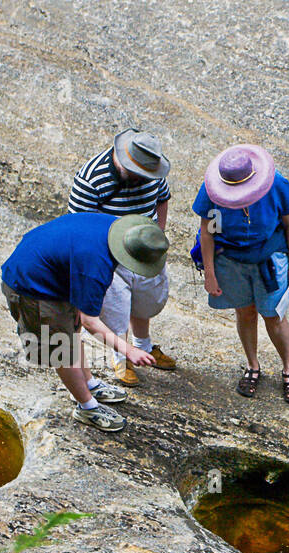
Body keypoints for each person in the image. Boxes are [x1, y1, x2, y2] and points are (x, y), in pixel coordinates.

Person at [1, 213, 167, 432]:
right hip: (30, 284)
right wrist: (128, 350)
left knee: (71, 329)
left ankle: (89, 383)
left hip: (55, 273)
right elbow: (91, 323)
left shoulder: (115, 228)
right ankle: (86, 406)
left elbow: (81, 318)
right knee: (60, 347)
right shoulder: (96, 267)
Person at [193, 145, 289, 403]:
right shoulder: (211, 190)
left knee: (273, 315)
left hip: (269, 258)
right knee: (244, 311)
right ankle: (253, 366)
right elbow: (207, 232)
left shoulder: (276, 184)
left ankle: (288, 368)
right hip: (231, 261)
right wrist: (210, 273)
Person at [68, 128, 177, 386]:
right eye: (139, 174)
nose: (145, 178)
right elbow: (77, 225)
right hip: (109, 254)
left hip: (144, 249)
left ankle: (145, 346)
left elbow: (163, 199)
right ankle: (121, 358)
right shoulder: (92, 178)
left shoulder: (152, 168)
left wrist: (158, 234)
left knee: (145, 300)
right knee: (116, 307)